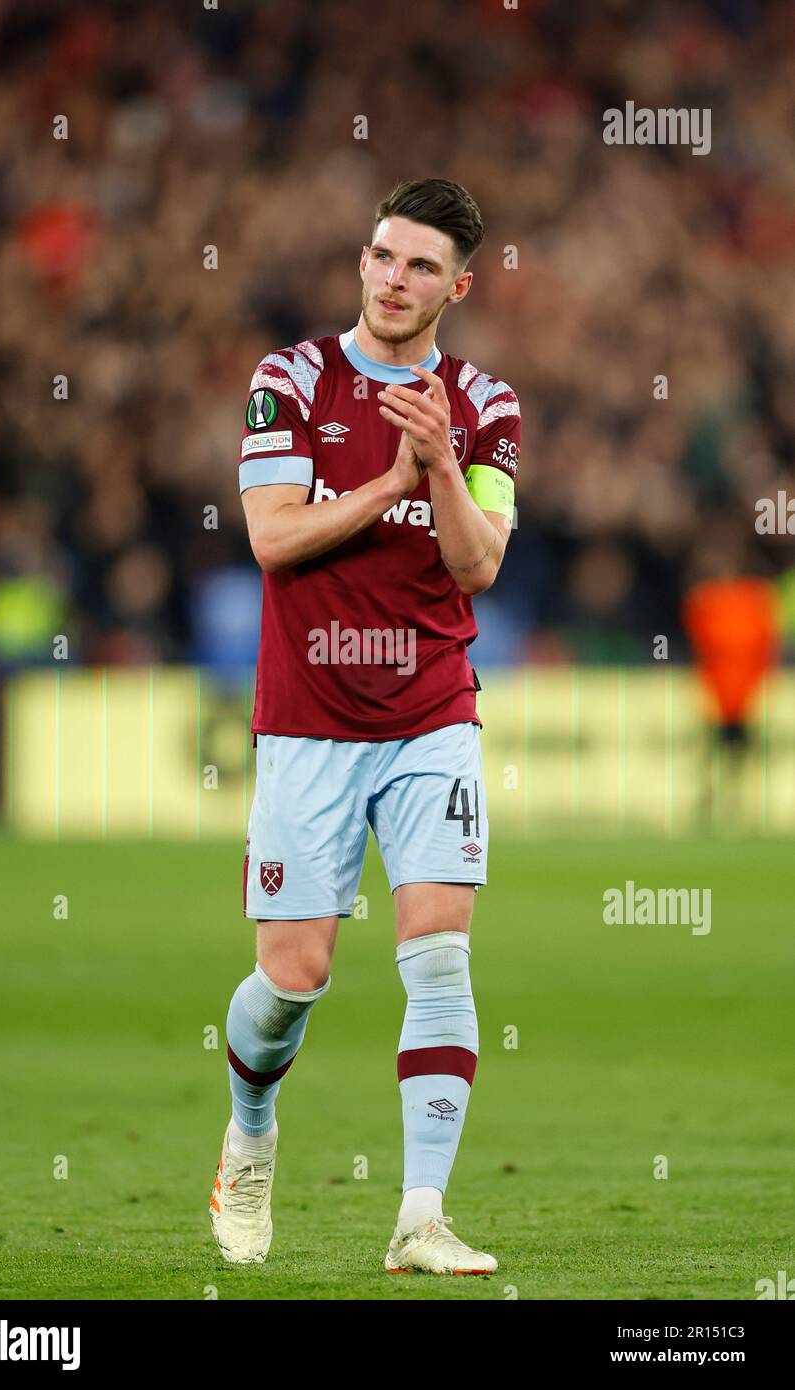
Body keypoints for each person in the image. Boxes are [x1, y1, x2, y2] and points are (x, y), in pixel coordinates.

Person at [209, 178, 520, 1275]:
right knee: (292, 980)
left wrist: (435, 464)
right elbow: (273, 538)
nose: (395, 280)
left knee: (437, 953)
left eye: (422, 266)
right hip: (307, 716)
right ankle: (249, 1137)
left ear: (458, 286)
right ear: (362, 260)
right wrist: (387, 471)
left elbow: (476, 561)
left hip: (434, 708)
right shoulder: (289, 379)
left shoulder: (484, 405)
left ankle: (420, 1216)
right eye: (384, 257)